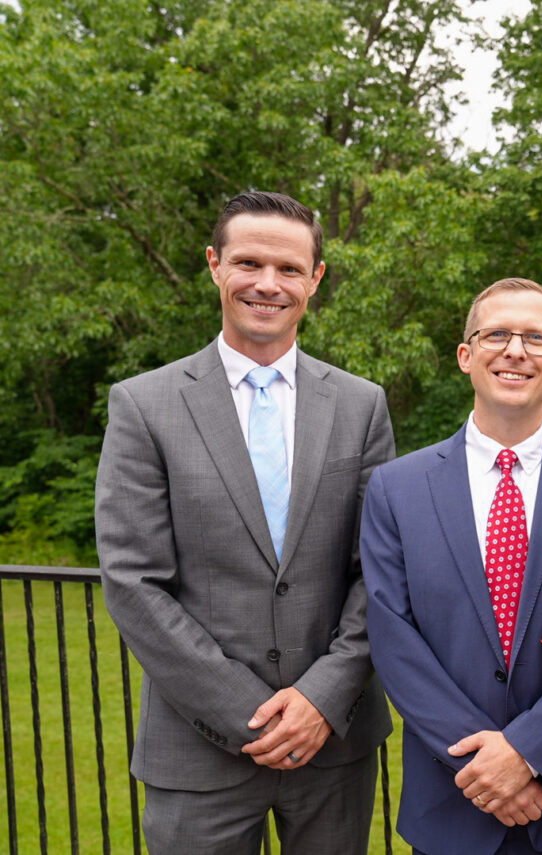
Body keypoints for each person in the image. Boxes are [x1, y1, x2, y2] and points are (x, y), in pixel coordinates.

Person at [95, 190, 395, 853]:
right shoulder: (144, 406)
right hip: (197, 750)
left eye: (289, 268)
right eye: (249, 262)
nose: (268, 283)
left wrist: (320, 699)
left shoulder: (361, 406)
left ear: (315, 279)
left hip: (334, 744)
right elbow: (133, 582)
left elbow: (379, 571)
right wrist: (250, 713)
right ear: (214, 265)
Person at [360, 278, 542, 855]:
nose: (516, 350)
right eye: (497, 333)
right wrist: (488, 768)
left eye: (536, 338)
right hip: (453, 801)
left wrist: (530, 753)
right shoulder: (397, 488)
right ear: (465, 356)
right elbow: (393, 639)